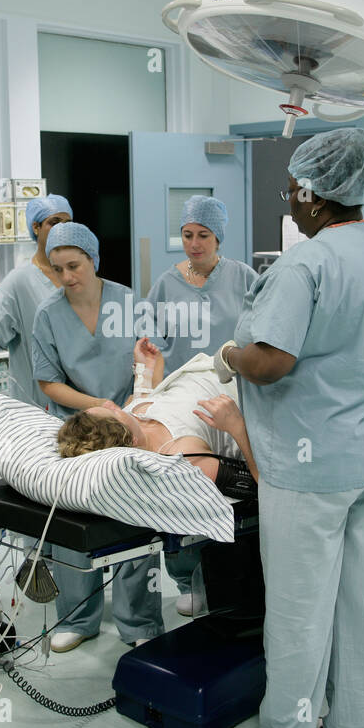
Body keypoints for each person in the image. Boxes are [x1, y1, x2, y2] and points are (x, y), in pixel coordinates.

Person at [215, 128, 364, 728]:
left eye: (290, 192)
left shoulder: (306, 263)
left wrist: (229, 354)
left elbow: (271, 360)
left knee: (298, 615)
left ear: (312, 194)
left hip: (312, 467)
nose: (288, 202)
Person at [30, 221, 163, 651]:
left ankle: (139, 622)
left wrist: (130, 407)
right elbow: (47, 382)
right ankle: (77, 616)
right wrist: (96, 407)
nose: (67, 277)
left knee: (135, 520)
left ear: (93, 259)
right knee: (72, 524)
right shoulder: (48, 316)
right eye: (57, 269)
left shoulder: (129, 303)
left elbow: (151, 362)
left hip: (129, 426)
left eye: (74, 265)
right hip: (78, 431)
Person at [143, 195, 257, 614]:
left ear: (218, 237)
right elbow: (153, 344)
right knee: (183, 484)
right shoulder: (166, 285)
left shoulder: (243, 278)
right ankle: (184, 577)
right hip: (184, 397)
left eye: (203, 235)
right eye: (187, 235)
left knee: (223, 488)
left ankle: (225, 574)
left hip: (232, 395)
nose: (193, 244)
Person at [57, 344, 259, 488]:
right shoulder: (183, 456)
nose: (111, 404)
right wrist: (236, 426)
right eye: (114, 412)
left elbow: (142, 402)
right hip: (250, 387)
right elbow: (259, 483)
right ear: (132, 441)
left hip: (221, 363)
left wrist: (145, 371)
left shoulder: (131, 424)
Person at [0, 194, 71, 410]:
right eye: (54, 222)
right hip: (38, 406)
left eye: (67, 223)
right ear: (36, 227)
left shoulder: (78, 278)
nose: (62, 229)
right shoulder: (21, 281)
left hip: (79, 403)